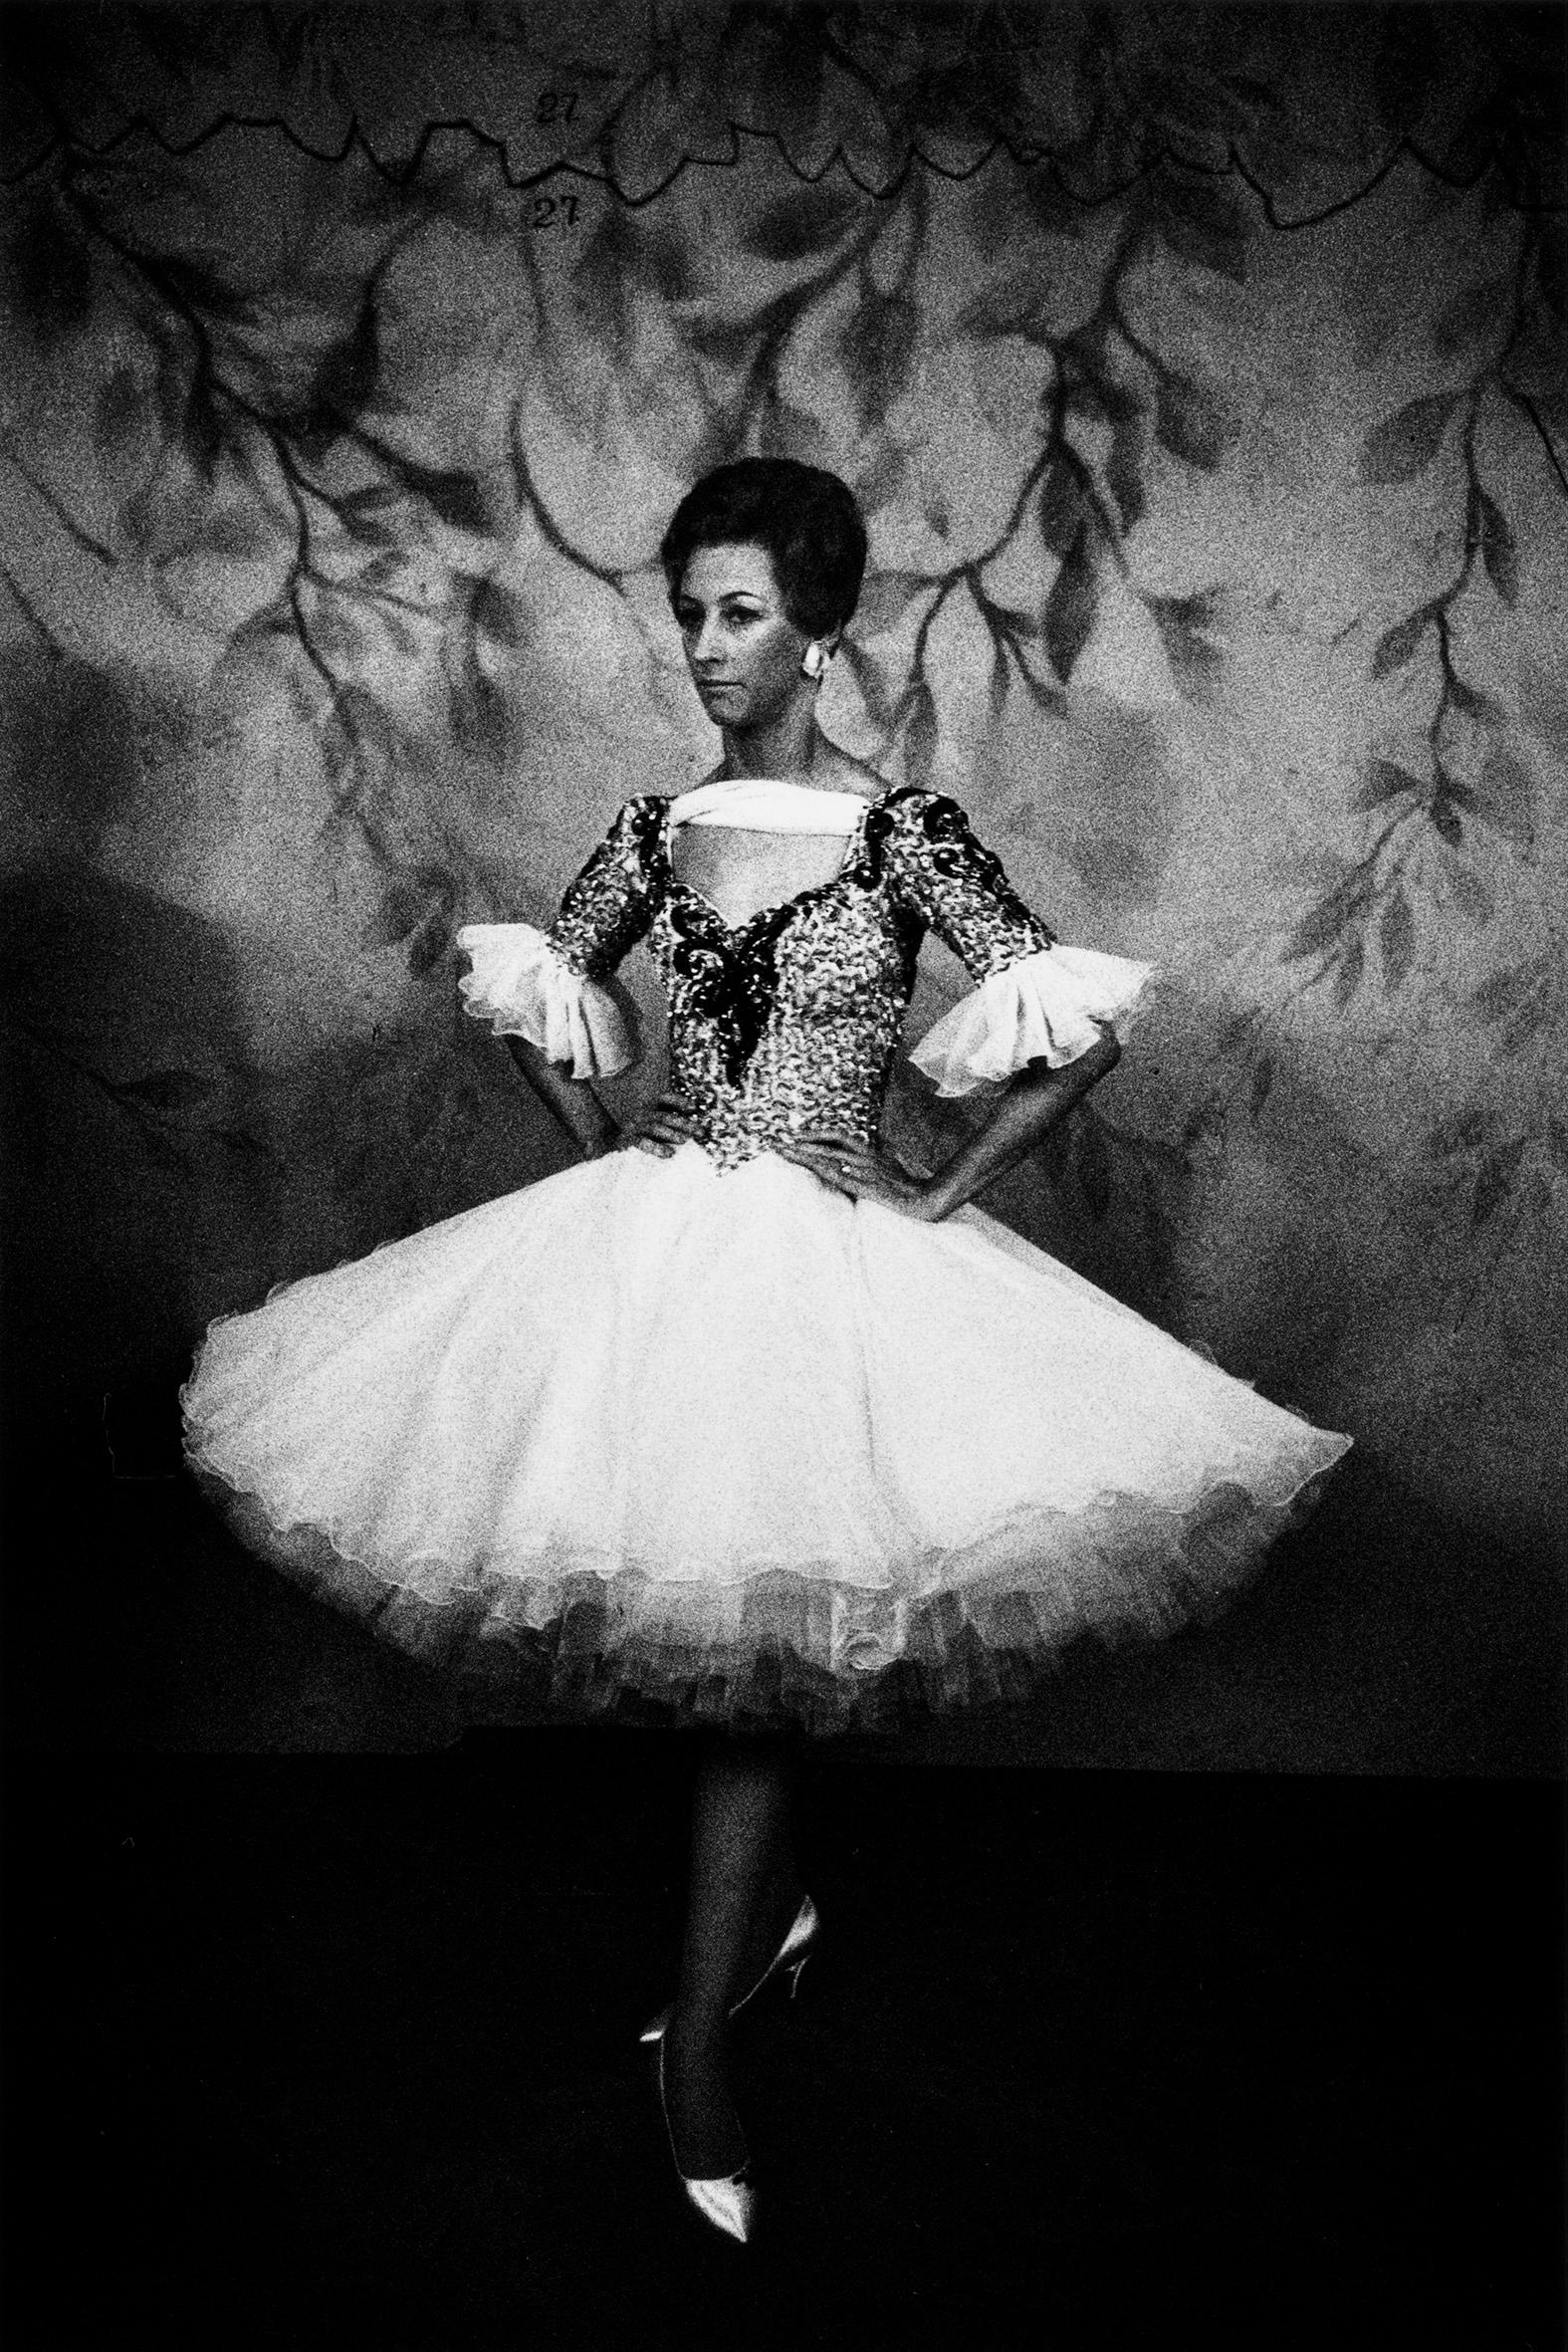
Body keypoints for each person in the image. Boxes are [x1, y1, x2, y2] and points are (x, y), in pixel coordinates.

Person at [182, 458, 1351, 2245]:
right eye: (688, 615)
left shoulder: (904, 834)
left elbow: (1065, 1024)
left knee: (752, 1667)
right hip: (655, 1248)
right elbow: (541, 997)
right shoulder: (653, 830)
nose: (704, 650)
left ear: (821, 627)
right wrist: (610, 1154)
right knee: (723, 1652)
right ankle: (773, 1927)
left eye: (737, 614)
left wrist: (945, 1183)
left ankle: (695, 2061)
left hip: (826, 1266)